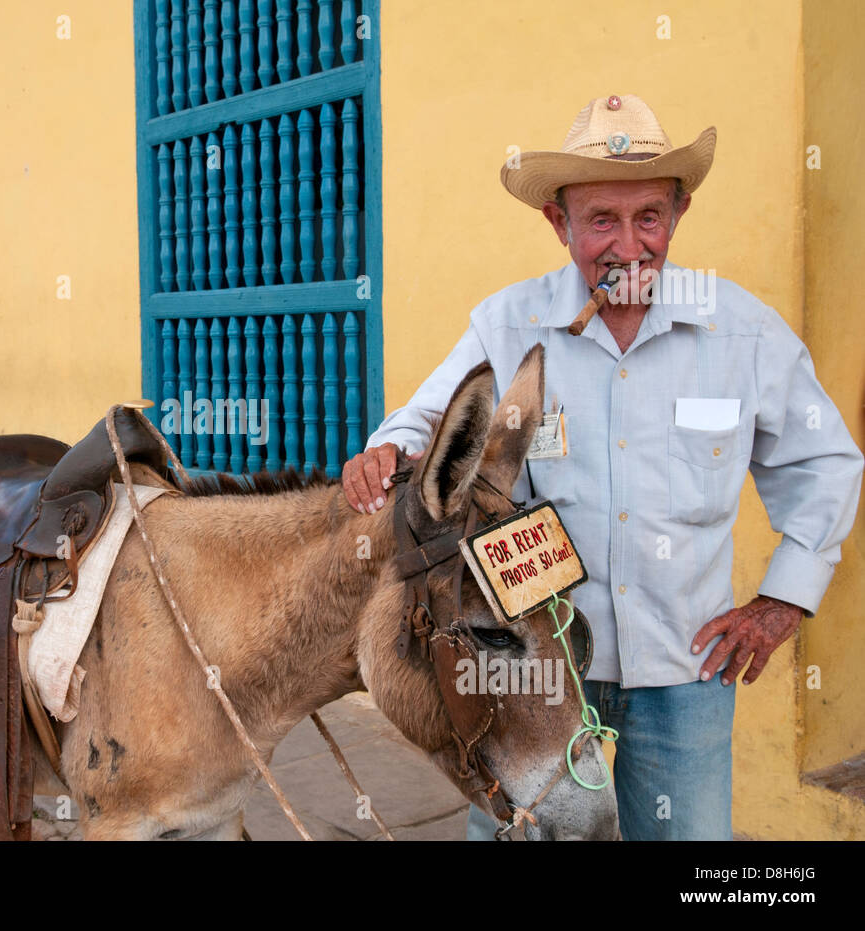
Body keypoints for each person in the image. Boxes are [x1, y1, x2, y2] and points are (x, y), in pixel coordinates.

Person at [342, 94, 863, 840]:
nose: (628, 246)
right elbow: (425, 417)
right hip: (530, 666)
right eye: (601, 222)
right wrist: (386, 448)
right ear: (559, 224)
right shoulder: (508, 324)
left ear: (678, 214)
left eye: (648, 216)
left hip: (685, 670)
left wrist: (784, 600)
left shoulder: (742, 331)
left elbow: (825, 461)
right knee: (516, 833)